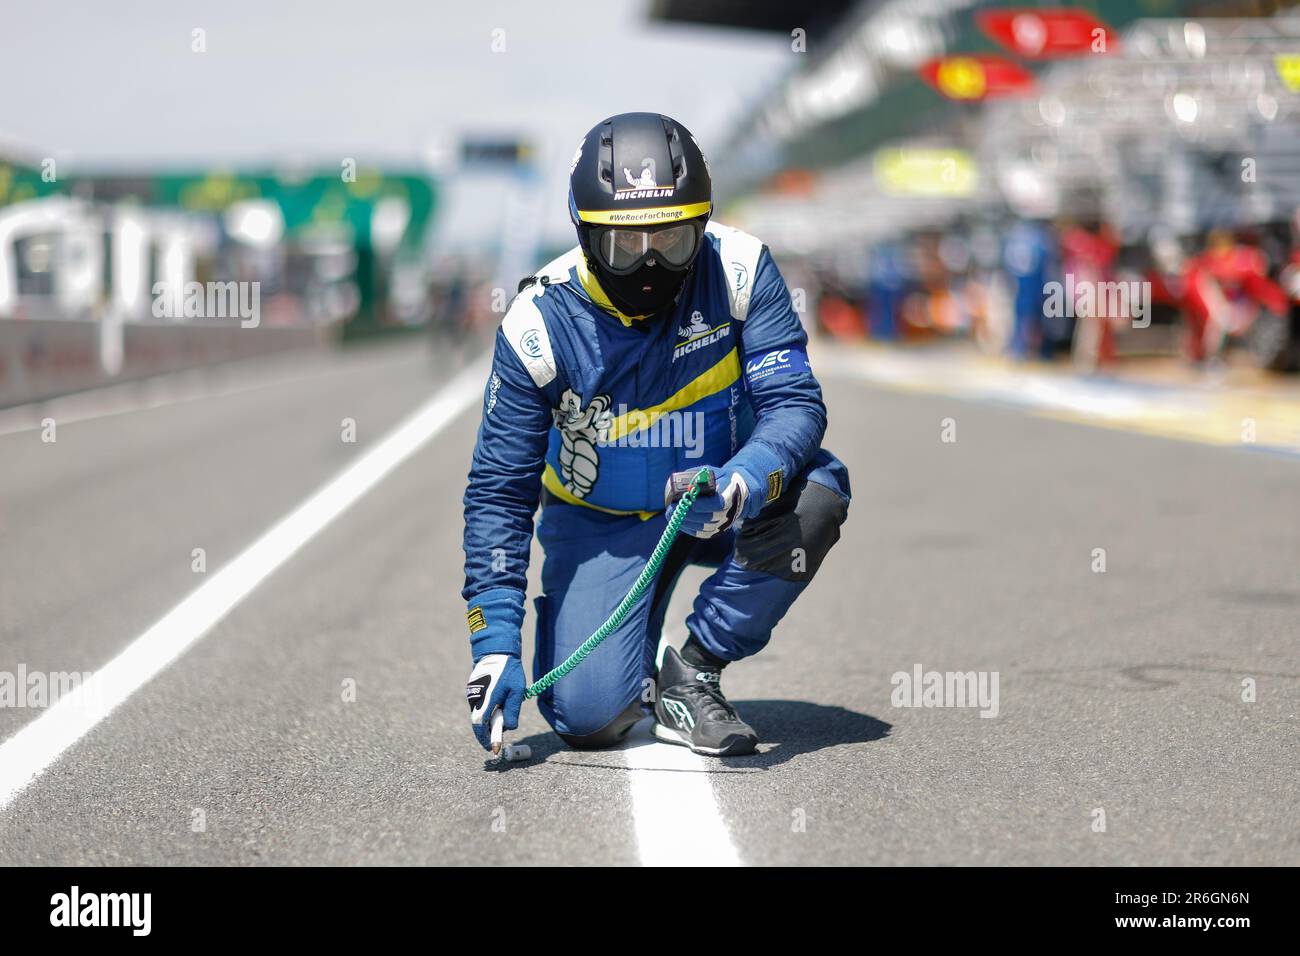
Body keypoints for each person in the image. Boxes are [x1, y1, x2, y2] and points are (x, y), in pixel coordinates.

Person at [462, 113, 850, 757]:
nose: (648, 263)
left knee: (817, 492)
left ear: (701, 223)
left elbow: (795, 407)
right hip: (598, 524)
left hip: (717, 503)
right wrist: (492, 640)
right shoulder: (535, 326)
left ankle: (695, 668)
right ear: (585, 234)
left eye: (671, 240)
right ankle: (632, 618)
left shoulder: (742, 270)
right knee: (588, 720)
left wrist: (742, 482)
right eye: (625, 245)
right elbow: (499, 494)